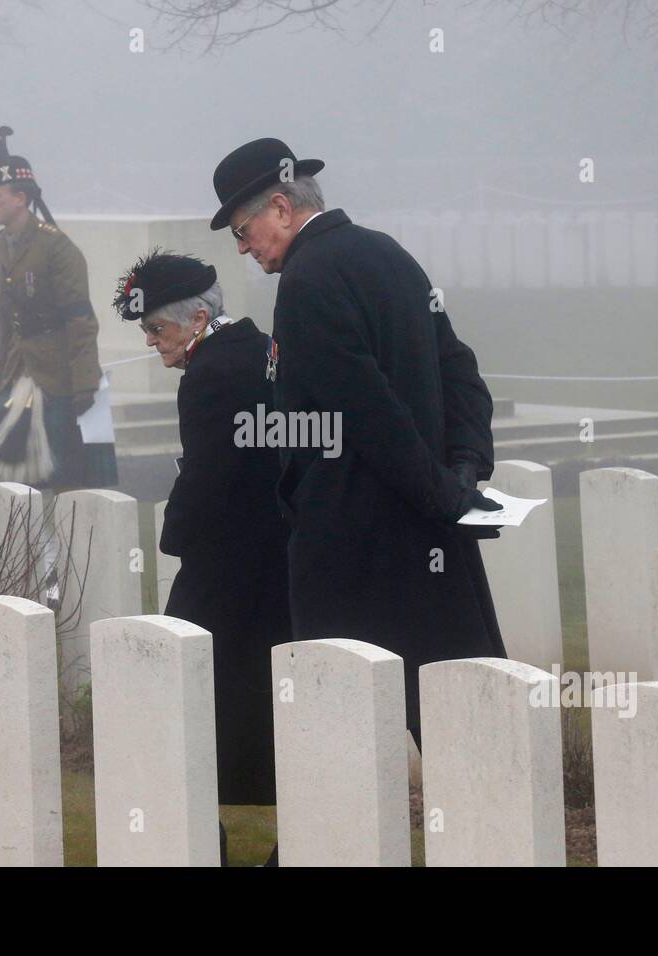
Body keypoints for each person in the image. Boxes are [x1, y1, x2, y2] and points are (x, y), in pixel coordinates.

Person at [209, 137, 506, 747]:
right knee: (461, 715)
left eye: (243, 229)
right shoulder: (387, 254)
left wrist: (447, 495)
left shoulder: (307, 281)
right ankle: (491, 839)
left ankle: (327, 845)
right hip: (430, 533)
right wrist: (463, 473)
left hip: (353, 541)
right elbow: (460, 372)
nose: (242, 247)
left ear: (283, 209)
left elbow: (366, 411)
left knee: (338, 721)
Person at [113, 250, 290, 867]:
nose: (153, 344)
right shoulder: (263, 348)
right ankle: (298, 836)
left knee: (182, 702)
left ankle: (195, 838)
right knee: (275, 709)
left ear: (194, 318)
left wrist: (174, 531)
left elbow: (210, 476)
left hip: (228, 573)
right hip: (282, 561)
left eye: (157, 330)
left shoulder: (211, 374)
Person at [0, 125, 117, 491]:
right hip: (16, 375)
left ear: (20, 198)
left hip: (57, 378)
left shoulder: (58, 250)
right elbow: (5, 322)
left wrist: (83, 387)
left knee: (64, 478)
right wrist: (2, 384)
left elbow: (80, 322)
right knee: (7, 475)